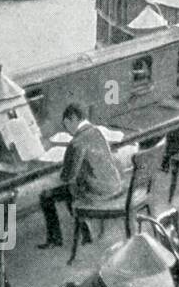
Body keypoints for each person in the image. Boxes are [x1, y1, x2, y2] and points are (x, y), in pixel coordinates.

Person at [37, 104, 123, 250]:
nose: (68, 131)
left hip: (97, 192)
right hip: (114, 185)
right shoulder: (97, 132)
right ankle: (85, 231)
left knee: (46, 195)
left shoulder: (76, 143)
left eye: (67, 125)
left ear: (73, 119)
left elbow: (67, 176)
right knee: (73, 187)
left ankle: (55, 240)